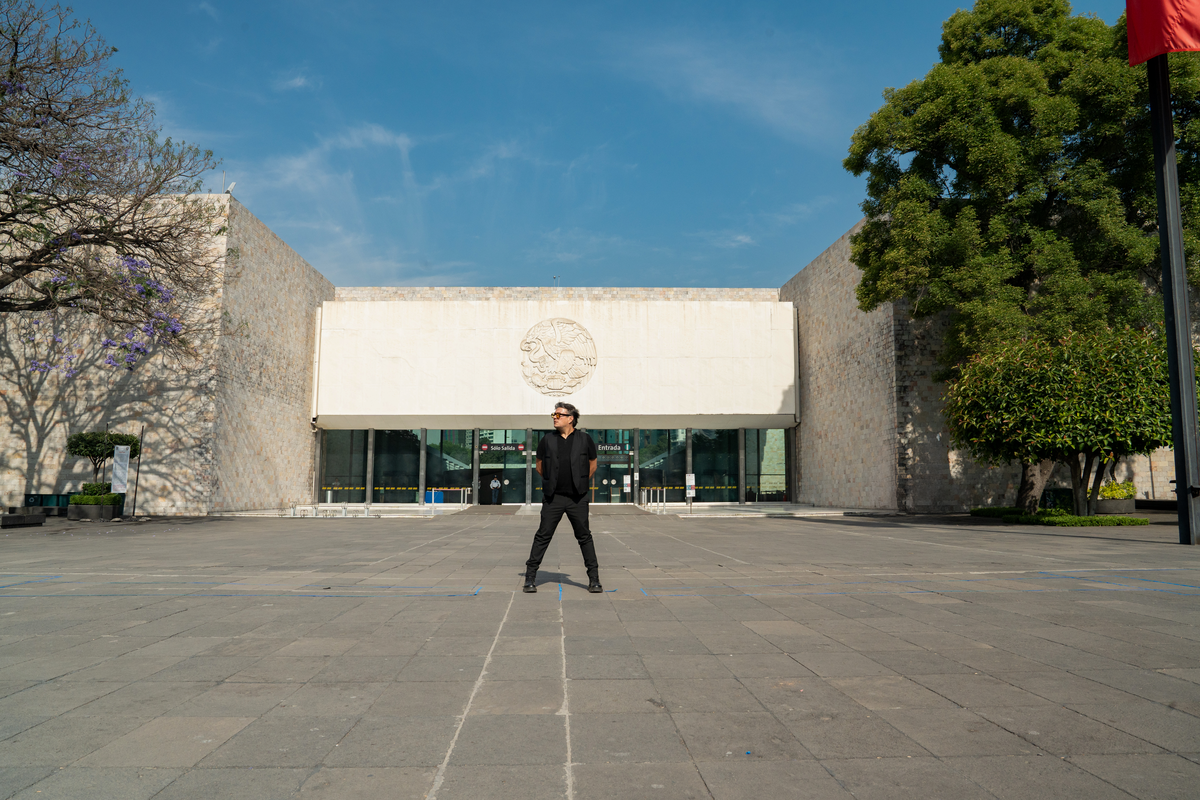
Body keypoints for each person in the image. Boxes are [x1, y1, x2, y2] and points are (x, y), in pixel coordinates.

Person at [524, 402, 601, 593]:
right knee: (543, 535)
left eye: (558, 414)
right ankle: (530, 578)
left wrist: (581, 482)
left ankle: (594, 580)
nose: (555, 417)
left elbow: (593, 463)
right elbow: (539, 465)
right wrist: (551, 482)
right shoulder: (547, 440)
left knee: (584, 537)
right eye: (554, 414)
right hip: (553, 498)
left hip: (578, 498)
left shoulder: (585, 439)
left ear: (570, 418)